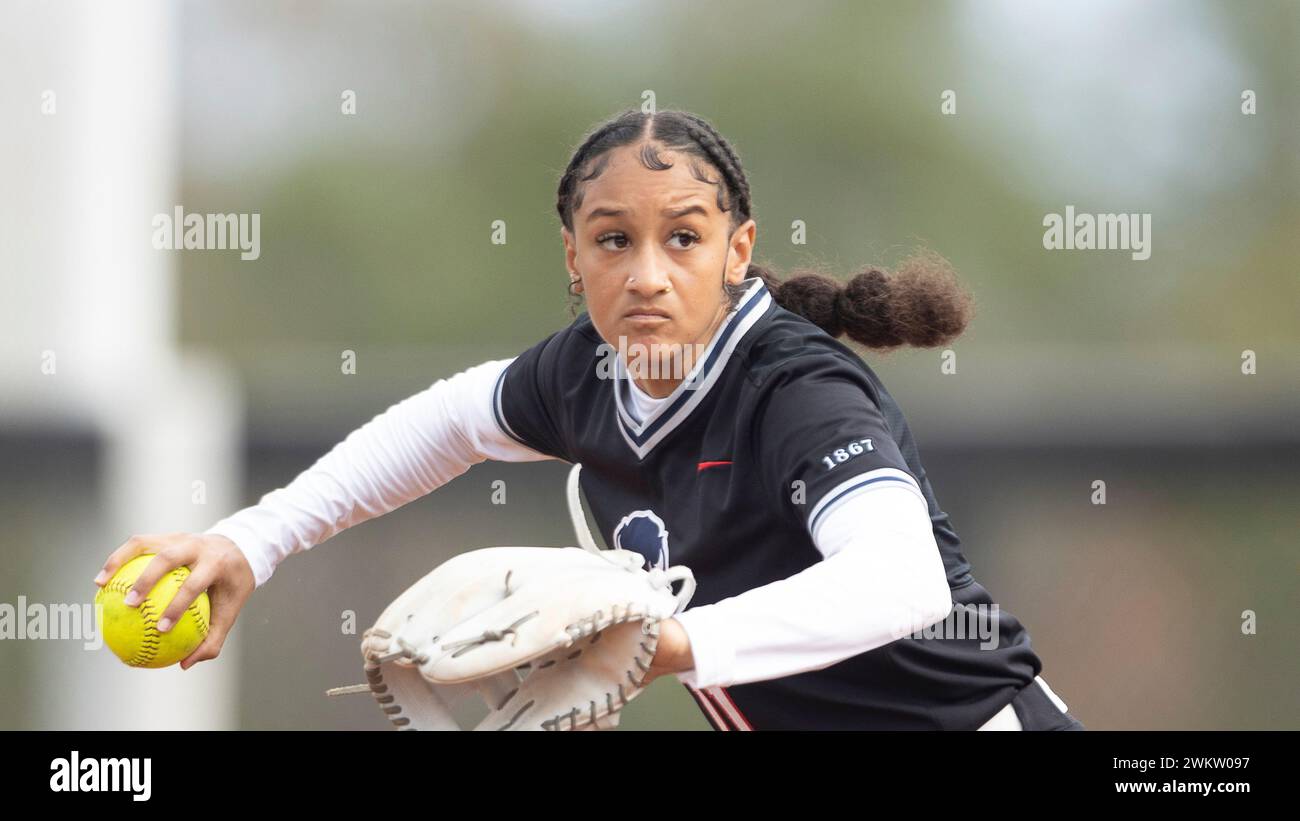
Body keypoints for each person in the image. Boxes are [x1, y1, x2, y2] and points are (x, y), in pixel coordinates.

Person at [93, 108, 1084, 730]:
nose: (646, 272)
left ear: (737, 251)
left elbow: (899, 581)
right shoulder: (586, 373)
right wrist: (249, 541)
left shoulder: (794, 388)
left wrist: (667, 645)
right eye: (613, 239)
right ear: (573, 258)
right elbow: (442, 424)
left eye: (683, 237)